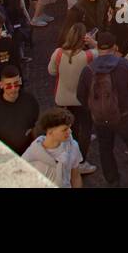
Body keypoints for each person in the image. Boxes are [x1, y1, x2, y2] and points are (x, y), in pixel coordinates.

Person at [76, 31, 128, 186]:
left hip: (101, 117)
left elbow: (80, 95)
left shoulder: (88, 70)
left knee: (105, 148)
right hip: (124, 115)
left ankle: (112, 179)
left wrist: (94, 108)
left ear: (98, 47)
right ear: (114, 47)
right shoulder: (125, 65)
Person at [47, 23, 98, 173]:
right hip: (81, 99)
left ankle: (68, 155)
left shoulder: (57, 53)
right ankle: (80, 162)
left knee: (70, 128)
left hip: (62, 98)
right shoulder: (88, 56)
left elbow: (51, 71)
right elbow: (102, 52)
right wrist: (94, 43)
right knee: (86, 128)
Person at [0, 66, 40, 154]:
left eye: (16, 84)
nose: (13, 89)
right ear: (1, 85)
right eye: (9, 86)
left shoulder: (30, 101)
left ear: (20, 81)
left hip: (27, 154)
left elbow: (34, 127)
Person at [22, 108, 84, 188]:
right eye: (64, 129)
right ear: (50, 131)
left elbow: (75, 177)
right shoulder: (31, 157)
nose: (70, 132)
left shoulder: (72, 146)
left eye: (69, 127)